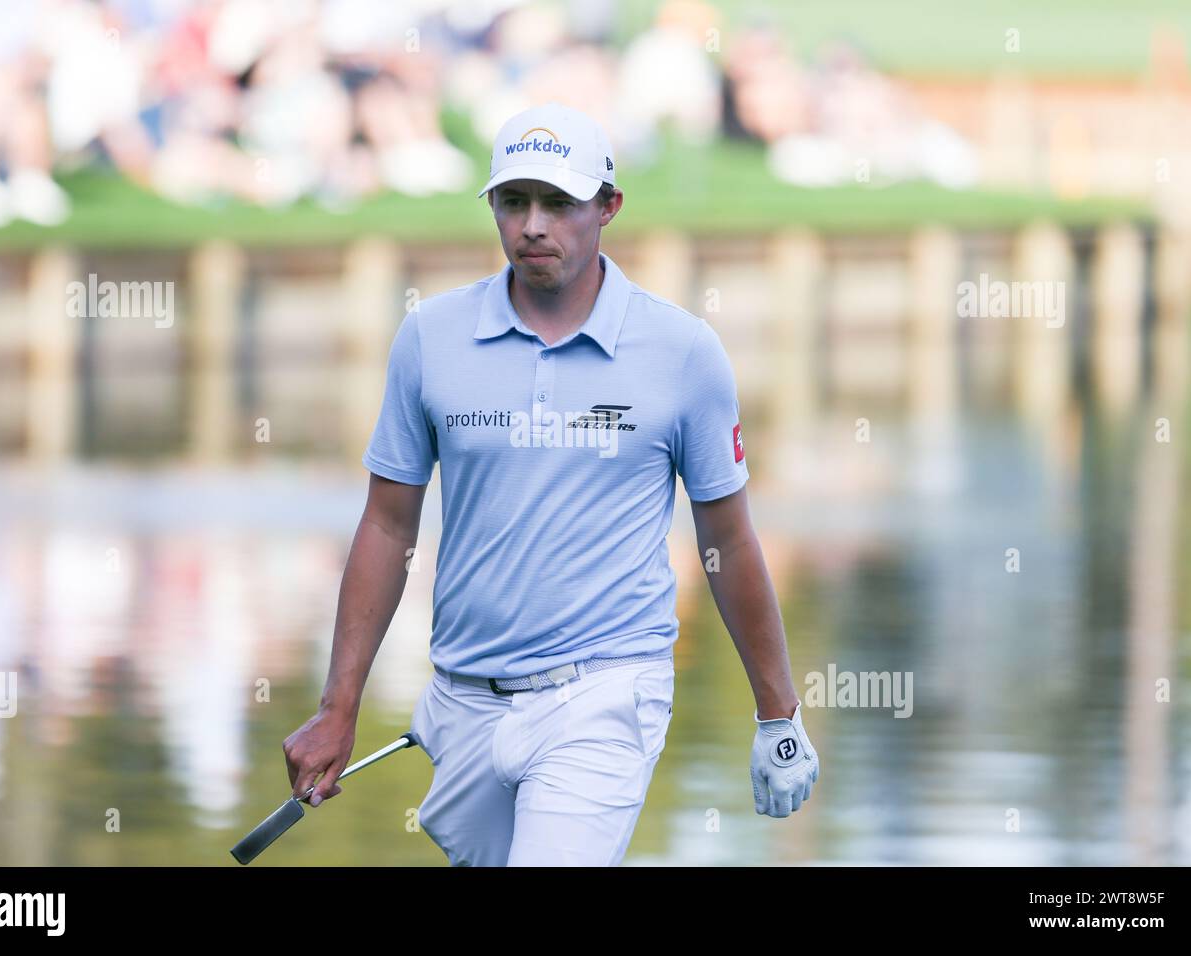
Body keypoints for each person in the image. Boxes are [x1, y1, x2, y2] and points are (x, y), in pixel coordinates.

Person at [283, 102, 818, 866]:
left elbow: (726, 540)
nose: (533, 225)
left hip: (604, 692)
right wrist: (339, 707)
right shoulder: (430, 339)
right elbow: (387, 526)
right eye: (513, 202)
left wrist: (778, 714)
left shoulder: (681, 351)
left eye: (559, 203)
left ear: (607, 207)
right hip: (463, 700)